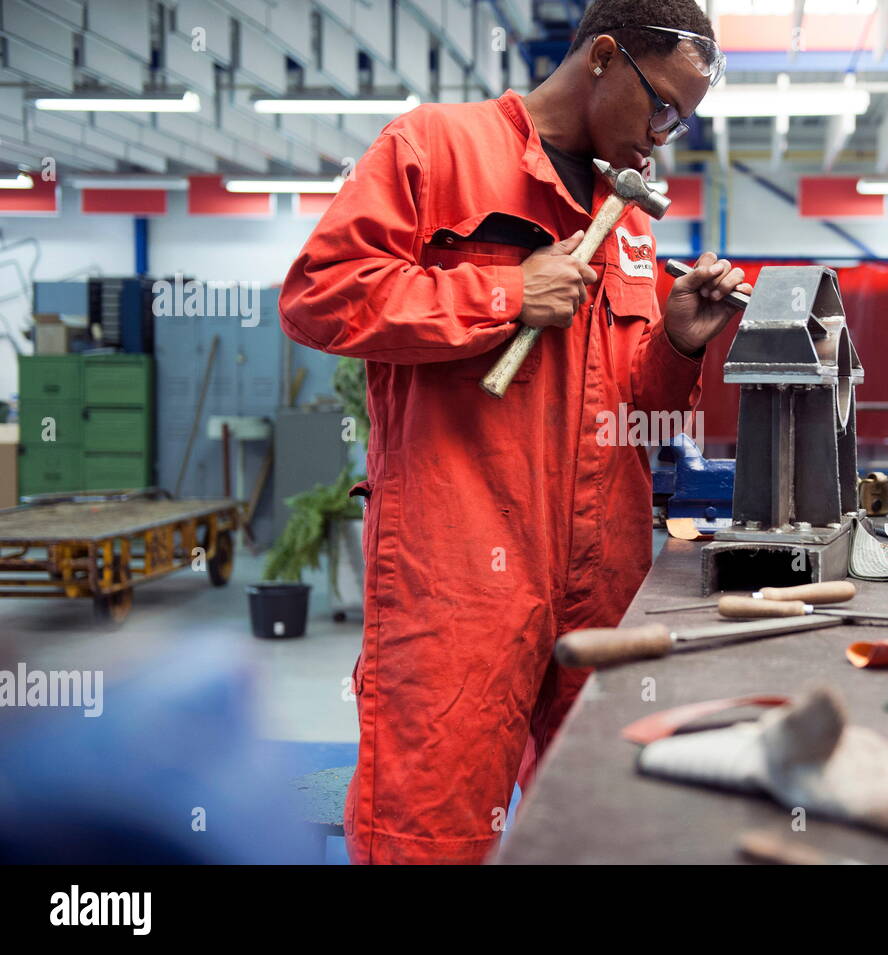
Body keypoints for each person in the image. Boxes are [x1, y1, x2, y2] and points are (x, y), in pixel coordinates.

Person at [279, 0, 749, 864]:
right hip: (458, 578)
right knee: (433, 832)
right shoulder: (436, 150)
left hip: (604, 574)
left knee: (600, 823)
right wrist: (500, 295)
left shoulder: (629, 220)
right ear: (603, 56)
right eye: (664, 110)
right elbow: (320, 295)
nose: (667, 136)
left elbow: (627, 408)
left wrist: (678, 340)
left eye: (683, 120)